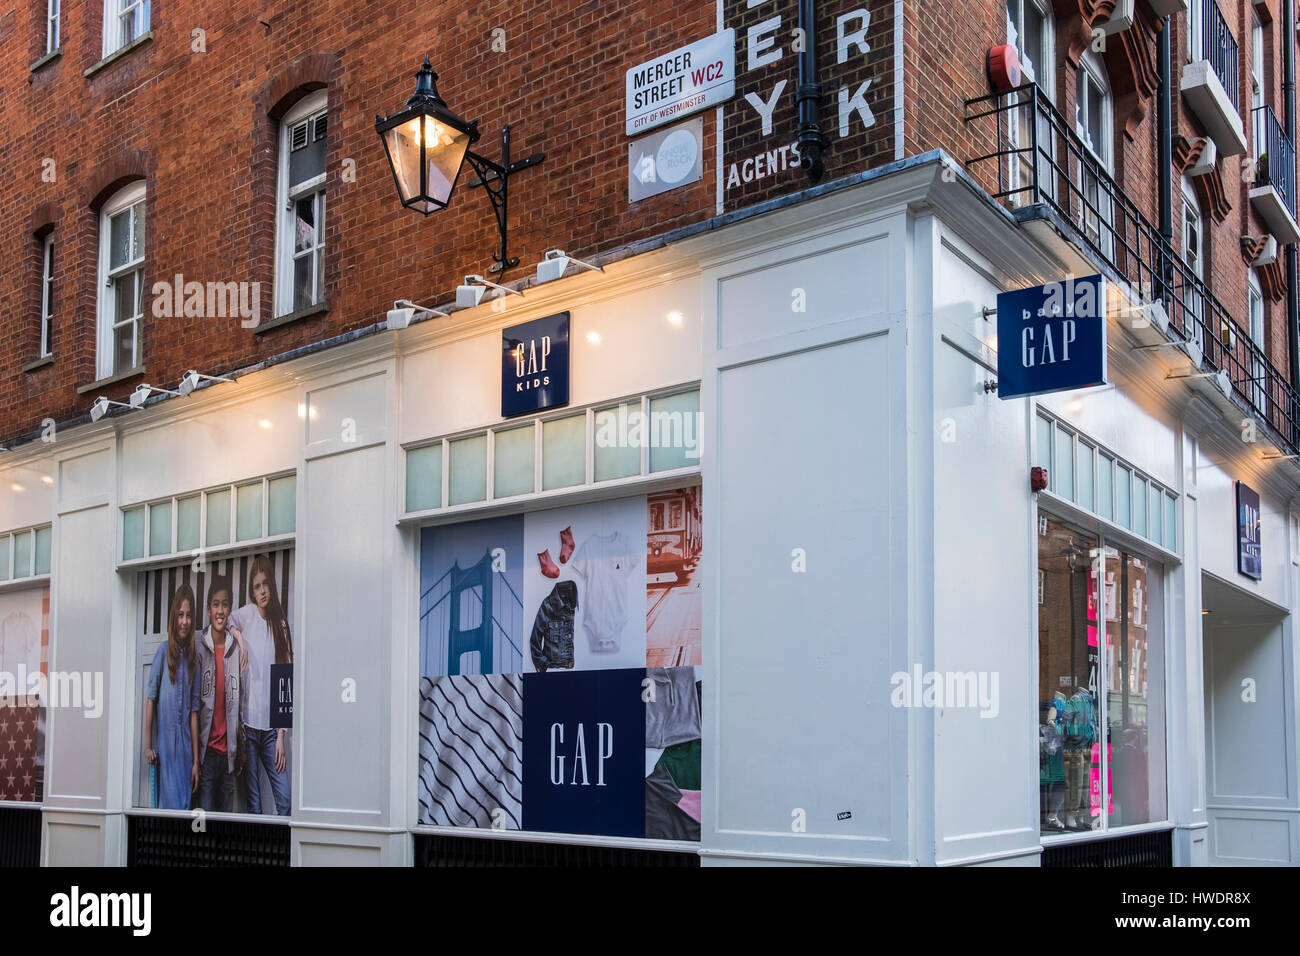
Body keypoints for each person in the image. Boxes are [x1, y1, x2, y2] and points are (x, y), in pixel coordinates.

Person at [229, 555, 292, 815]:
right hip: (248, 729)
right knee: (253, 805)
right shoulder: (247, 615)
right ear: (252, 591)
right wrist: (240, 640)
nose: (262, 590)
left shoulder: (281, 625)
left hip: (269, 734)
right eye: (257, 586)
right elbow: (227, 622)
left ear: (272, 585)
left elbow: (285, 680)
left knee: (285, 801)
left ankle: (282, 854)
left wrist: (281, 736)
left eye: (265, 584)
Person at [143, 583, 201, 810]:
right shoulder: (162, 652)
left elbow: (194, 714)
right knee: (168, 809)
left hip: (187, 752)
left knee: (186, 809)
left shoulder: (193, 660)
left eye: (188, 616)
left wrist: (196, 762)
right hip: (165, 751)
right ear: (173, 618)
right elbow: (150, 700)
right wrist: (148, 746)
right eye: (180, 615)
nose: (185, 621)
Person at [196, 577, 248, 812]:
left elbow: (239, 704)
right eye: (215, 604)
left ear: (230, 609)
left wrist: (240, 749)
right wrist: (195, 758)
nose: (220, 610)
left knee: (226, 822)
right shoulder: (199, 647)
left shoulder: (234, 649)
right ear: (208, 610)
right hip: (206, 756)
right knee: (205, 822)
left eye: (225, 604)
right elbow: (193, 706)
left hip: (228, 755)